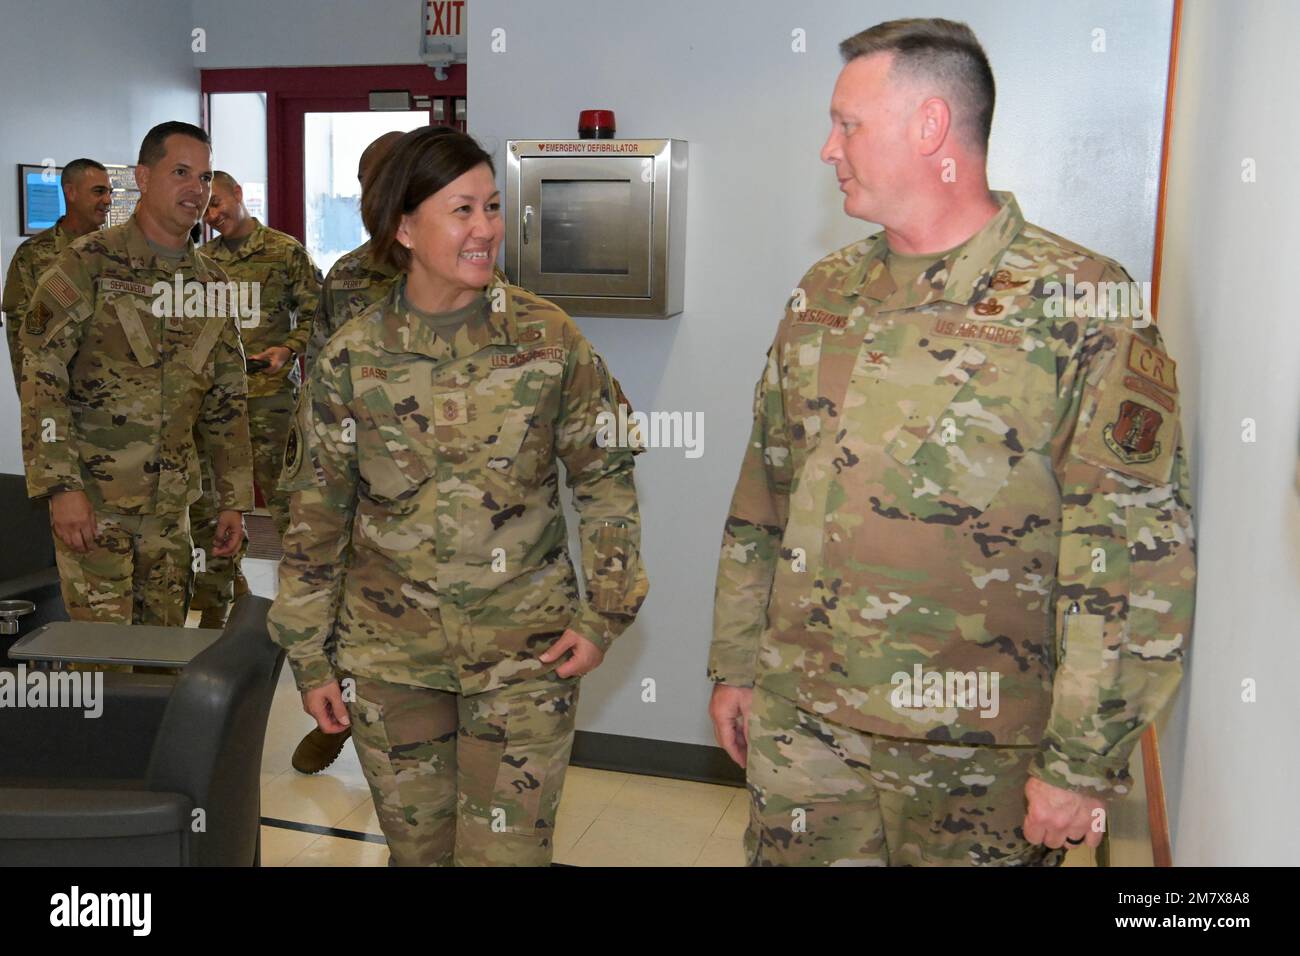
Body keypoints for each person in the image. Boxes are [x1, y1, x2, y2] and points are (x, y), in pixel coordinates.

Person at [708, 18, 1196, 866]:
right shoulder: (826, 291)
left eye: (847, 124)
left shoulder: (1082, 302)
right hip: (806, 727)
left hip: (976, 749)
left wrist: (1083, 762)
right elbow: (763, 496)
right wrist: (736, 663)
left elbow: (1127, 552)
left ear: (930, 128)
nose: (829, 149)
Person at [267, 126, 649, 865]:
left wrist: (605, 611)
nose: (486, 230)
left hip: (525, 661)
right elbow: (315, 518)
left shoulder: (547, 339)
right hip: (391, 662)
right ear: (404, 227)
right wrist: (309, 658)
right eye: (462, 210)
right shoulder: (353, 358)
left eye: (493, 208)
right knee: (418, 856)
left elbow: (604, 476)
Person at [20, 121, 253, 627]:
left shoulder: (212, 283)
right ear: (144, 178)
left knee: (163, 664)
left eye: (206, 176)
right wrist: (61, 487)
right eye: (181, 173)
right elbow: (43, 380)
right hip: (96, 507)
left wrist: (233, 501)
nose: (197, 189)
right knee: (103, 671)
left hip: (171, 517)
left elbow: (227, 402)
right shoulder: (87, 266)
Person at [187, 171, 322, 629]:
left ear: (239, 194)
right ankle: (216, 600)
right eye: (206, 210)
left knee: (286, 501)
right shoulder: (200, 261)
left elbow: (318, 314)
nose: (214, 215)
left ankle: (300, 606)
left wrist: (287, 348)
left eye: (219, 203)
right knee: (210, 503)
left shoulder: (284, 253)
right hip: (214, 405)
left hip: (269, 401)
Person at [3, 158, 112, 392]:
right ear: (71, 193)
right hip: (60, 395)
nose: (108, 200)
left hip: (117, 402)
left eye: (109, 192)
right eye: (98, 192)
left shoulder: (118, 253)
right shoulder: (33, 255)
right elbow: (23, 340)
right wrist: (35, 402)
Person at [302, 130, 406, 373]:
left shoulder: (459, 269)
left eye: (382, 181)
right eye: (365, 183)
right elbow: (319, 369)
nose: (372, 195)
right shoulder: (345, 273)